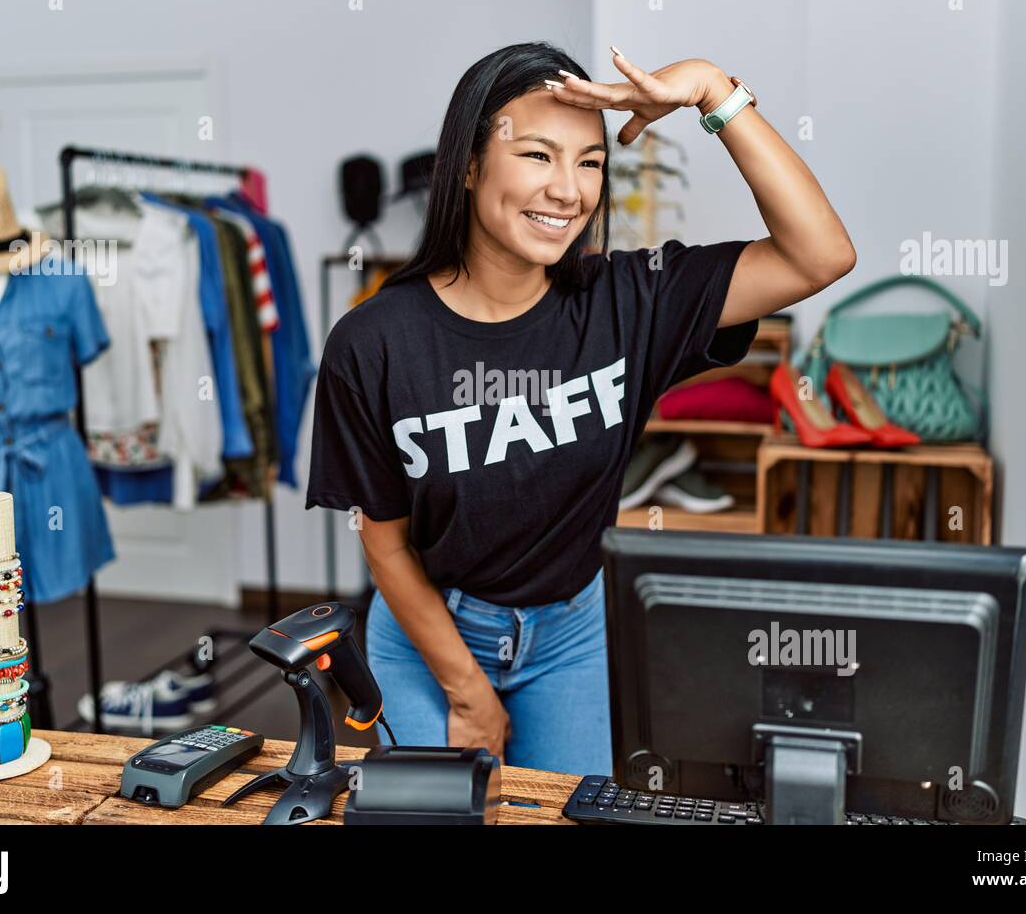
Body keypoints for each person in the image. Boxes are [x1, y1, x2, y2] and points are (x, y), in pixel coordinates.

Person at [305, 41, 855, 774]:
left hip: (572, 636)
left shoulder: (630, 303)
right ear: (468, 167)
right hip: (429, 636)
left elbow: (819, 255)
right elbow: (385, 543)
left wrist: (711, 92)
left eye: (588, 162)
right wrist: (467, 692)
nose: (568, 190)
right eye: (537, 155)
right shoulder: (374, 342)